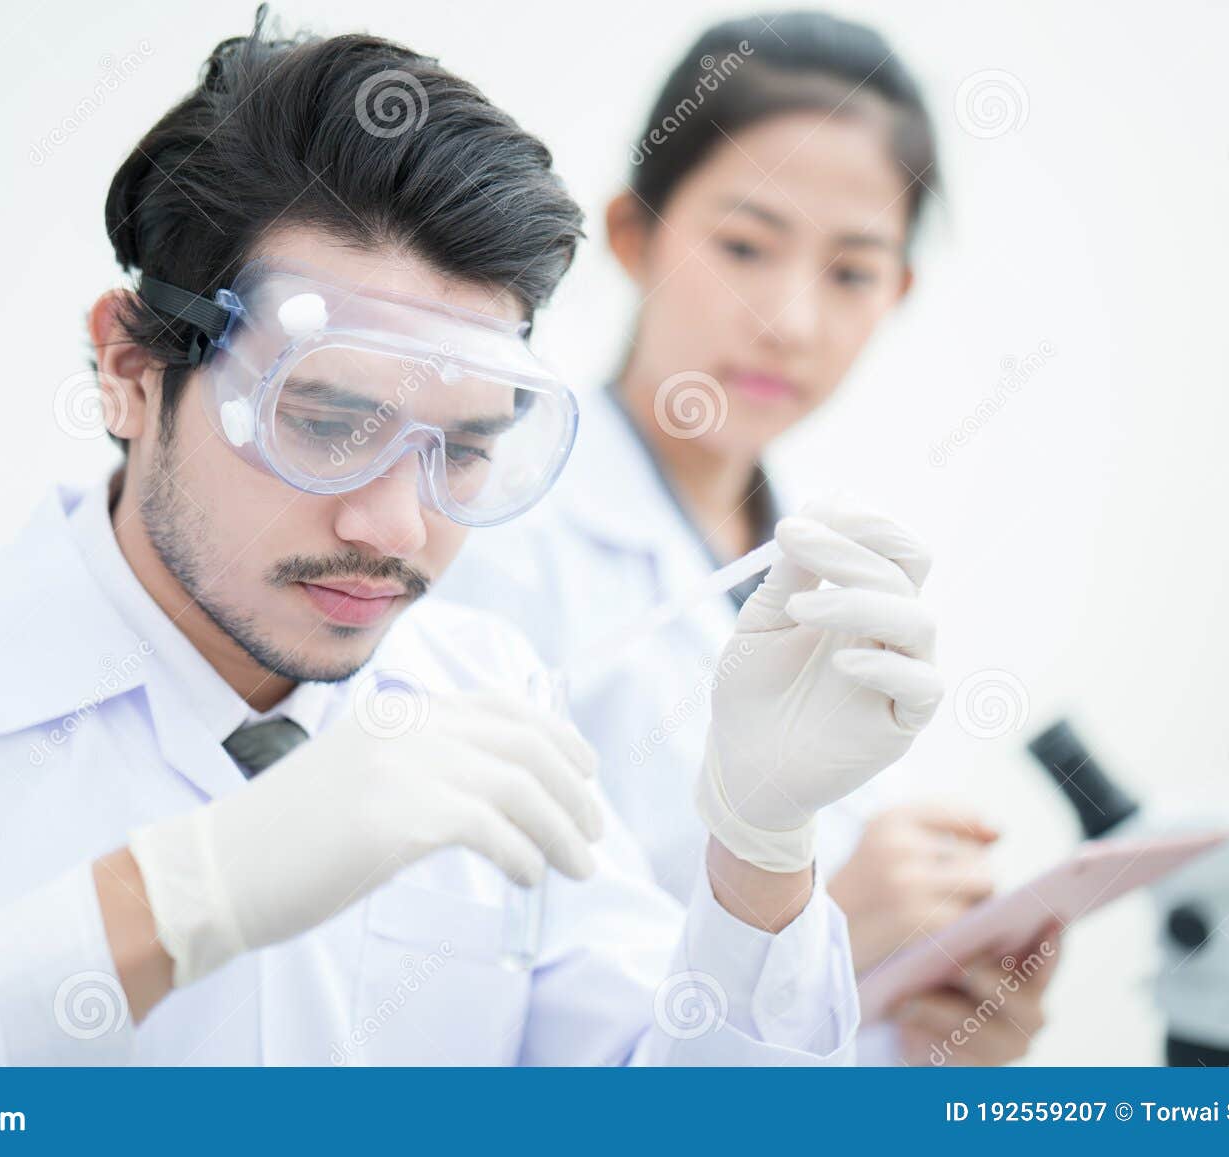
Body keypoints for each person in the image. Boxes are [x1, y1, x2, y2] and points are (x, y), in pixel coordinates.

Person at [0, 12, 942, 1066]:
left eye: (464, 446)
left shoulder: (488, 698)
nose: (395, 525)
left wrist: (760, 859)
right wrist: (183, 896)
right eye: (326, 419)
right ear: (127, 364)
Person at [440, 11, 1056, 1065]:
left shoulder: (833, 558)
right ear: (633, 234)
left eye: (852, 271)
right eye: (742, 246)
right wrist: (807, 929)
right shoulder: (488, 526)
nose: (790, 319)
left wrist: (926, 1030)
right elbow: (472, 988)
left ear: (895, 294)